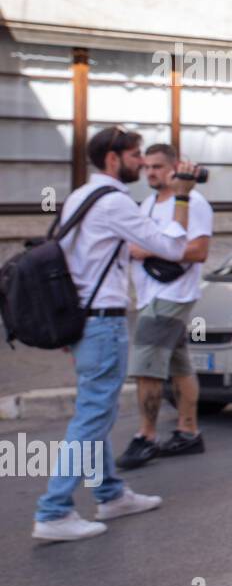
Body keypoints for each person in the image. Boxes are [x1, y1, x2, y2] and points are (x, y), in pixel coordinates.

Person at [32, 128, 199, 542]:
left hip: (82, 321)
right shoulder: (113, 202)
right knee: (91, 415)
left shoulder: (79, 197)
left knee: (97, 409)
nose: (142, 163)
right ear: (113, 158)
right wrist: (182, 196)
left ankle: (110, 493)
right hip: (103, 323)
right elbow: (173, 248)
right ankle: (53, 511)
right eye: (136, 155)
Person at [117, 144, 213, 469]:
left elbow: (199, 251)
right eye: (147, 167)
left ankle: (146, 437)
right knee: (179, 365)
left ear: (175, 167)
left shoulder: (191, 201)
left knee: (147, 367)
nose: (150, 173)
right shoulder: (147, 203)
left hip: (170, 295)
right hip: (149, 294)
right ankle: (188, 432)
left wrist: (149, 250)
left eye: (158, 167)